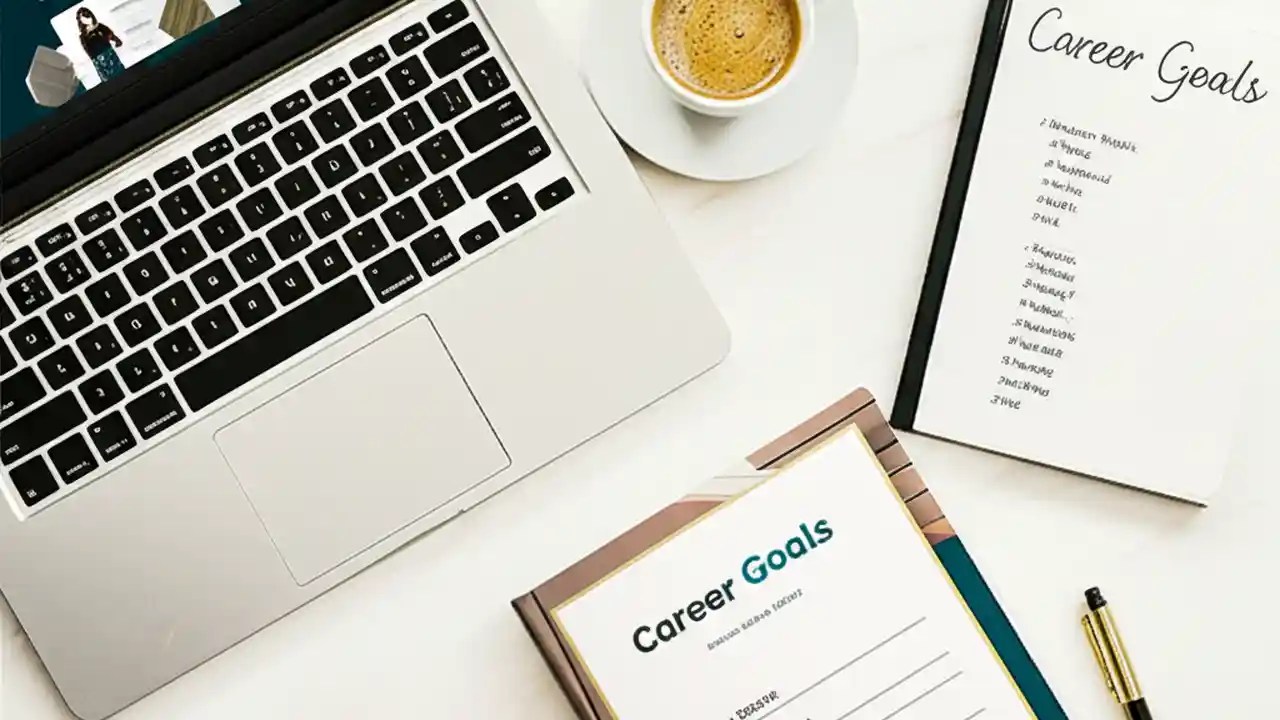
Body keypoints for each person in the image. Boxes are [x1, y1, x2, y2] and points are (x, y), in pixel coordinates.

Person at [77, 7, 125, 83]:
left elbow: (109, 34)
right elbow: (88, 50)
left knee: (119, 73)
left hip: (108, 54)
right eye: (84, 16)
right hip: (99, 58)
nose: (86, 17)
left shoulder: (98, 27)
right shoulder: (84, 36)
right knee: (109, 78)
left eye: (87, 15)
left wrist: (116, 40)